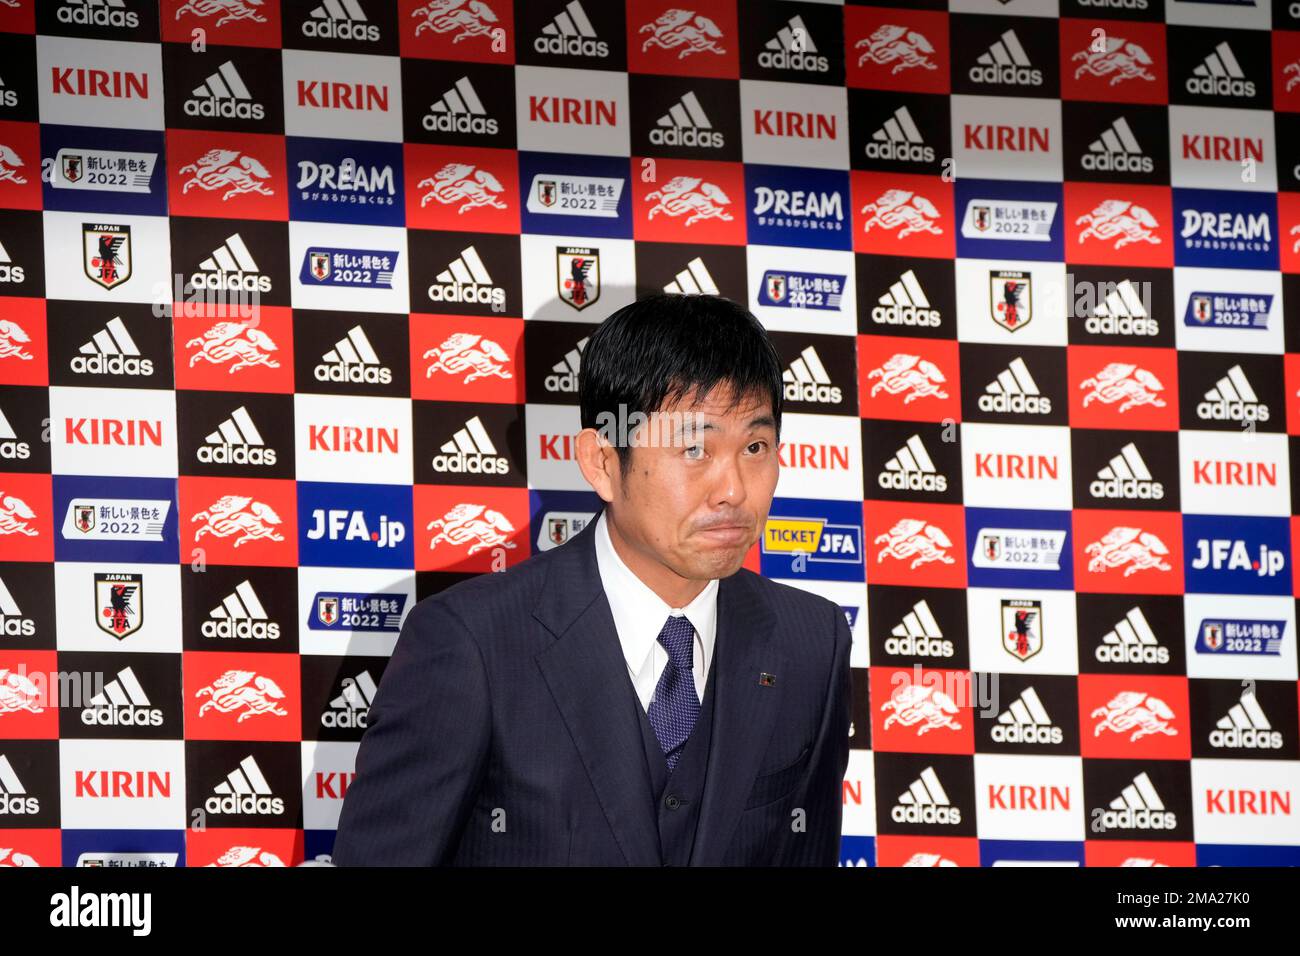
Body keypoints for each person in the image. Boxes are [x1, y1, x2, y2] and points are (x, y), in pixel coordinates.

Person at [331, 293, 852, 866]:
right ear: (602, 462)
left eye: (755, 447)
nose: (732, 489)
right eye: (695, 448)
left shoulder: (812, 641)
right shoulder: (470, 642)